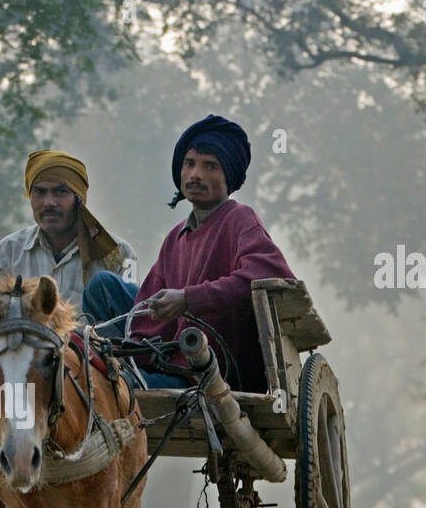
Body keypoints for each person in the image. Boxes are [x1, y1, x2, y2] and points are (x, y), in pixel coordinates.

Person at [84, 114, 296, 391]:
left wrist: (188, 299)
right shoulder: (175, 236)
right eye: (189, 164)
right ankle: (103, 362)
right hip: (169, 355)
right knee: (103, 286)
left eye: (210, 166)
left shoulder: (240, 219)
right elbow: (146, 309)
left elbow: (272, 275)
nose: (196, 174)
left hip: (207, 376)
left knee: (113, 390)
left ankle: (120, 377)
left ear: (228, 175)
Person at [0, 150, 138, 372]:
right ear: (30, 196)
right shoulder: (7, 251)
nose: (49, 202)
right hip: (17, 357)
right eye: (39, 192)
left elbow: (128, 326)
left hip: (84, 367)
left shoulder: (117, 252)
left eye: (60, 191)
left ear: (80, 199)